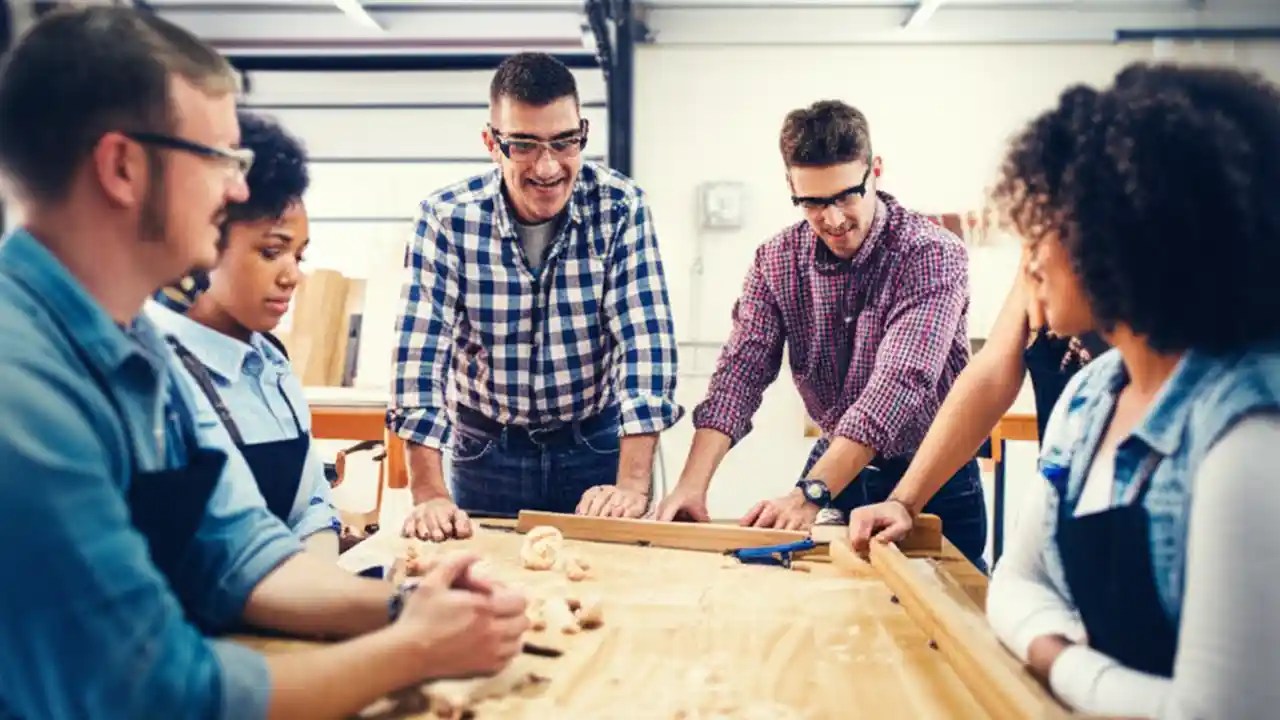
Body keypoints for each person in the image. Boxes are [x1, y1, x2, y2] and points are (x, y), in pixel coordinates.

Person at [0, 8, 527, 719]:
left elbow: (235, 548)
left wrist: (409, 607)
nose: (238, 190)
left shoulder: (133, 346)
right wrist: (415, 649)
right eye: (220, 159)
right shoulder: (21, 391)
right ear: (122, 166)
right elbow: (155, 694)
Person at [983, 63, 1280, 717]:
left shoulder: (1249, 441)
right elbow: (1013, 580)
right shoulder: (1091, 397)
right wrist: (1079, 661)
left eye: (1054, 222)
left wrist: (1058, 657)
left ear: (1130, 234)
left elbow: (1214, 712)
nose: (1031, 254)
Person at [654, 99, 987, 570]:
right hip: (836, 473)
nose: (832, 219)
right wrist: (691, 485)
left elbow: (899, 384)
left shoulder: (930, 254)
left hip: (934, 477)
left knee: (950, 621)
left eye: (846, 196)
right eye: (812, 201)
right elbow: (739, 375)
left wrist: (811, 490)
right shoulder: (776, 261)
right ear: (790, 186)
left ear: (875, 171)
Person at [389, 51, 681, 541]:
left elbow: (644, 344)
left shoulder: (621, 209)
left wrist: (631, 484)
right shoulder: (446, 219)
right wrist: (429, 493)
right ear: (491, 141)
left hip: (594, 449)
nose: (547, 167)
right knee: (482, 596)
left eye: (564, 143)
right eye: (523, 145)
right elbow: (419, 360)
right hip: (486, 454)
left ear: (582, 132)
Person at [148, 110, 341, 559]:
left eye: (299, 255)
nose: (292, 276)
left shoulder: (271, 363)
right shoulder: (160, 374)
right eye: (272, 251)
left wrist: (322, 583)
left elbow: (312, 503)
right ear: (205, 235)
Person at [845, 247, 1108, 557]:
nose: (1031, 263)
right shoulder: (1042, 254)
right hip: (1065, 516)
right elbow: (992, 374)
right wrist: (903, 501)